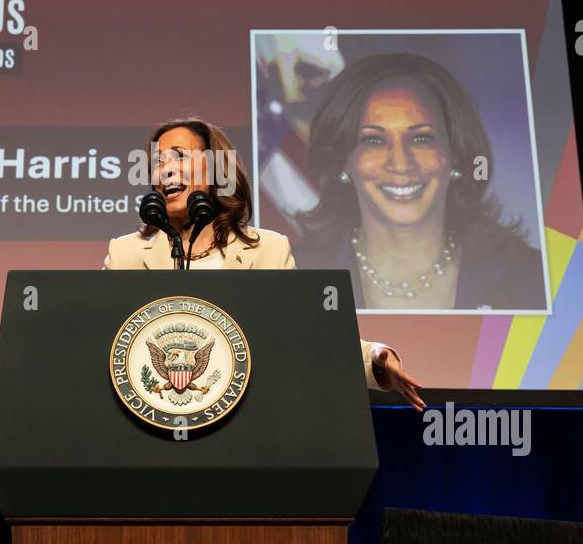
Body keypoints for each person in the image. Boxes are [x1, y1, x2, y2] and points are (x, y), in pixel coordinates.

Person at [101, 117, 426, 409]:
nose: (164, 170)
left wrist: (375, 358)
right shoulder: (127, 254)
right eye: (158, 162)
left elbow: (306, 331)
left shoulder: (267, 250)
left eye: (180, 157)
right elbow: (97, 340)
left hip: (246, 423)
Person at [299, 52, 546, 311]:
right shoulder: (291, 276)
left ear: (455, 154)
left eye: (421, 138)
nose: (401, 163)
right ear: (343, 162)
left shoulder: (530, 279)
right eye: (374, 140)